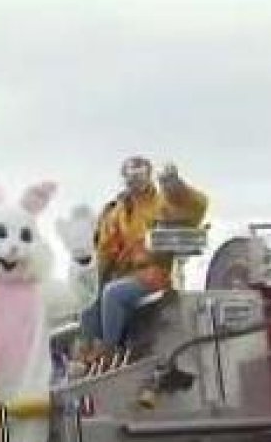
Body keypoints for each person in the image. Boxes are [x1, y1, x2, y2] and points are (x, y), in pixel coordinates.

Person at [74, 156, 209, 366]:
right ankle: (85, 359)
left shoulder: (161, 202)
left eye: (139, 175)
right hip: (123, 274)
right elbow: (106, 248)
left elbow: (196, 206)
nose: (135, 182)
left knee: (113, 294)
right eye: (130, 177)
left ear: (148, 176)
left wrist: (177, 187)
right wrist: (95, 273)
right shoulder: (119, 210)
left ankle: (111, 353)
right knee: (89, 305)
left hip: (153, 273)